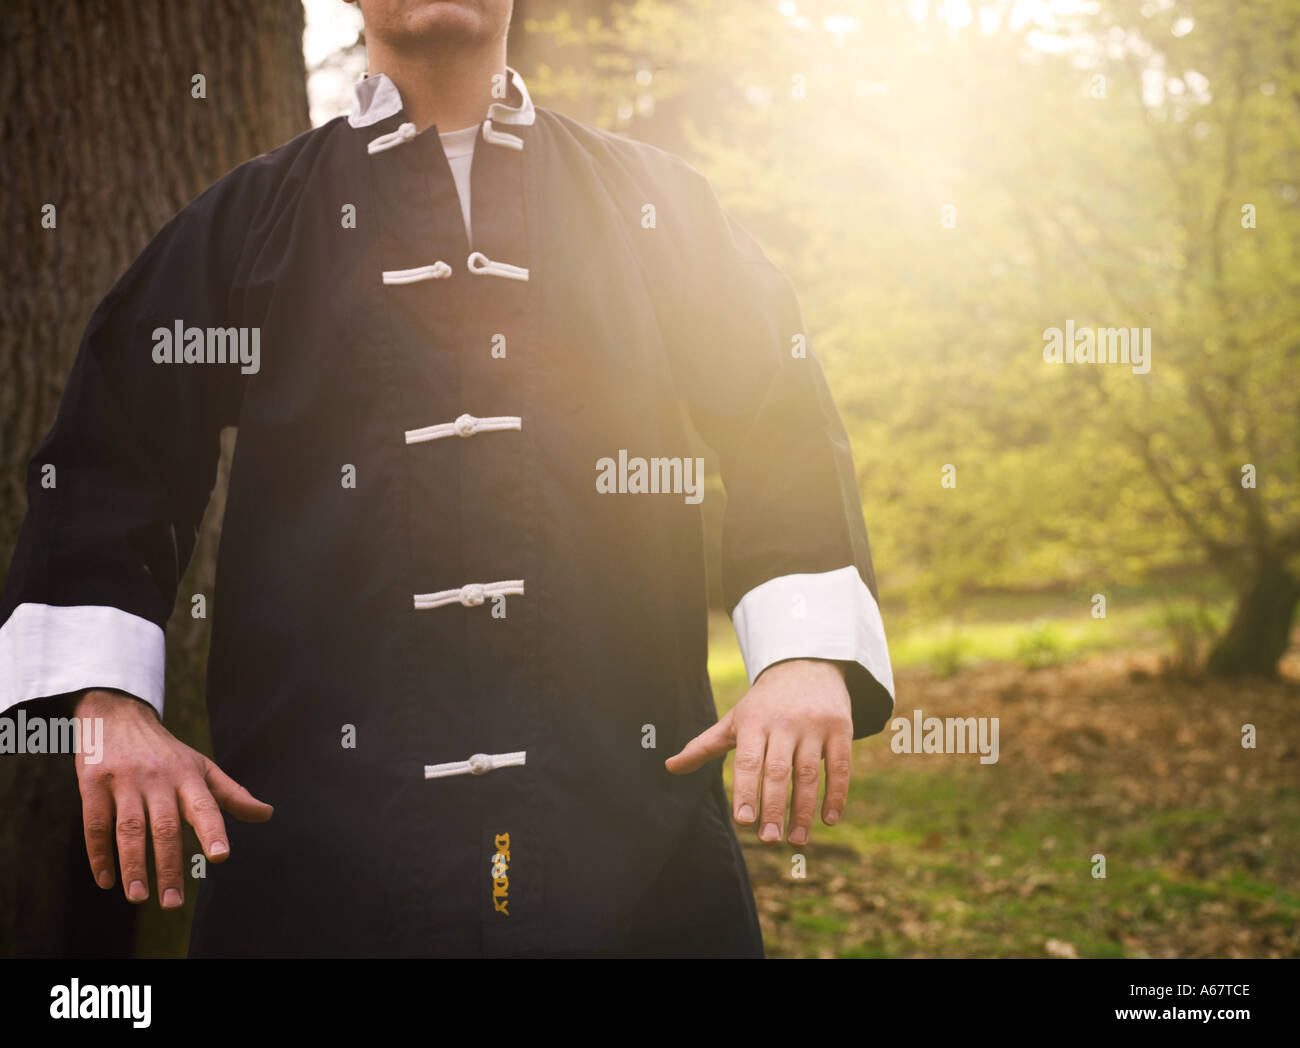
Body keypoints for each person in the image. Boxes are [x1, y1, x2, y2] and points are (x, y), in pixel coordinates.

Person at [0, 0, 895, 957]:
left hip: (629, 840)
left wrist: (800, 651)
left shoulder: (659, 206)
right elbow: (111, 450)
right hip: (316, 859)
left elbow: (779, 417)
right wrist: (109, 700)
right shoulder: (244, 225)